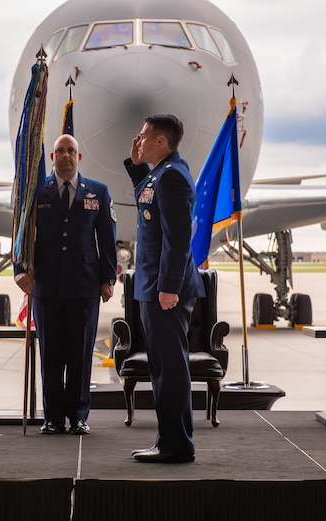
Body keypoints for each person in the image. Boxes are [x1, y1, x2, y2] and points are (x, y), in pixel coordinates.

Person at [14, 134, 117, 436]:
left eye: (71, 150)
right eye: (60, 150)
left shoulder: (98, 191)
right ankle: (53, 417)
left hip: (85, 287)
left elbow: (107, 240)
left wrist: (107, 278)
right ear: (52, 157)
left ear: (79, 157)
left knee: (81, 355)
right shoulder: (36, 192)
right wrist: (20, 270)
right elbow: (21, 234)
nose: (65, 155)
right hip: (45, 286)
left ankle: (79, 416)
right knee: (51, 354)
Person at [123, 114, 204, 463]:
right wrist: (137, 166)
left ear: (161, 140)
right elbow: (149, 207)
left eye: (143, 135)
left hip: (164, 291)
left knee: (170, 370)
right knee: (162, 369)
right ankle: (169, 439)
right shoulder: (162, 173)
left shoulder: (174, 177)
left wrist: (168, 287)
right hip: (153, 287)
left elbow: (178, 238)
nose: (138, 140)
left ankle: (176, 444)